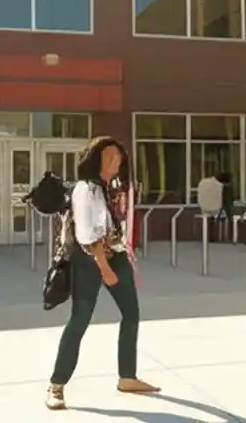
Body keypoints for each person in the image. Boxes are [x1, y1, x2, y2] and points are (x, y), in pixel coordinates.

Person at [46, 137, 159, 410]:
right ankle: (56, 385)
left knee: (131, 314)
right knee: (80, 320)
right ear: (94, 160)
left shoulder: (110, 188)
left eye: (117, 158)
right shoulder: (86, 189)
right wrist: (104, 267)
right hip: (90, 261)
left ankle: (127, 377)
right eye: (108, 157)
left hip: (115, 256)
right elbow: (86, 234)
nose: (114, 163)